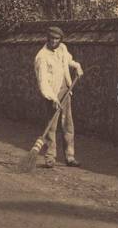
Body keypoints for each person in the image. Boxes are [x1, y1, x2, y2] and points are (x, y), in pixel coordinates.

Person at [33, 25, 82, 168]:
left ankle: (70, 156)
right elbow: (42, 82)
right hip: (52, 94)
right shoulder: (41, 56)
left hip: (66, 91)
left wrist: (77, 66)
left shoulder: (62, 48)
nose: (54, 41)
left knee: (68, 125)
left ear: (60, 39)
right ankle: (50, 158)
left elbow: (67, 60)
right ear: (47, 39)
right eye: (52, 38)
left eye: (57, 39)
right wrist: (52, 98)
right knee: (51, 126)